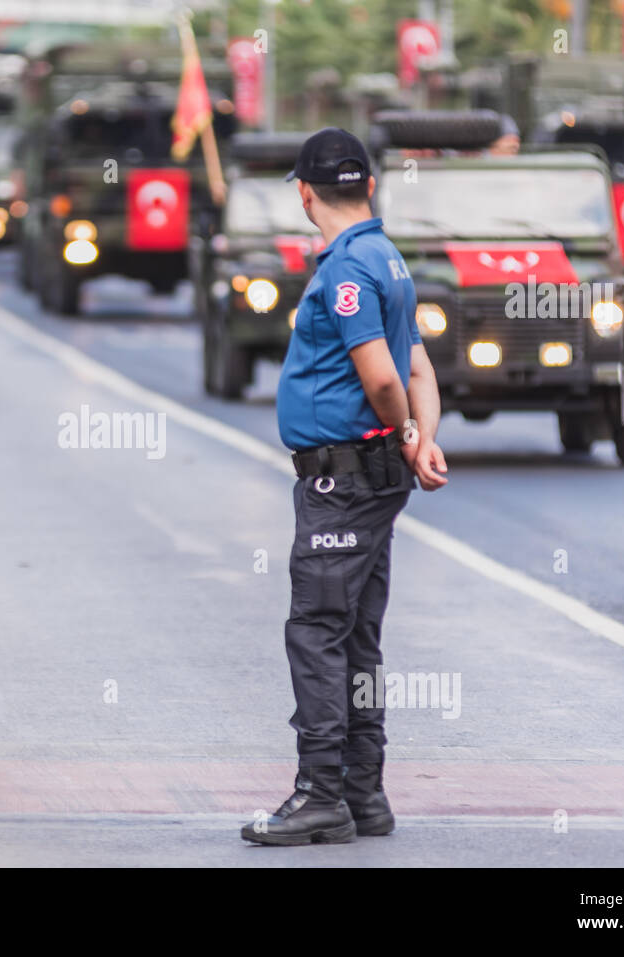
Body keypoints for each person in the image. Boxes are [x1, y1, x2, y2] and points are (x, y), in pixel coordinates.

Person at [241, 128, 448, 847]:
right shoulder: (388, 259)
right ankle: (365, 792)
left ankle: (321, 793)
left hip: (345, 479)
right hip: (374, 476)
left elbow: (384, 377)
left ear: (304, 192)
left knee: (318, 631)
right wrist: (424, 437)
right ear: (367, 187)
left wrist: (401, 434)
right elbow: (418, 369)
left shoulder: (347, 273)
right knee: (358, 634)